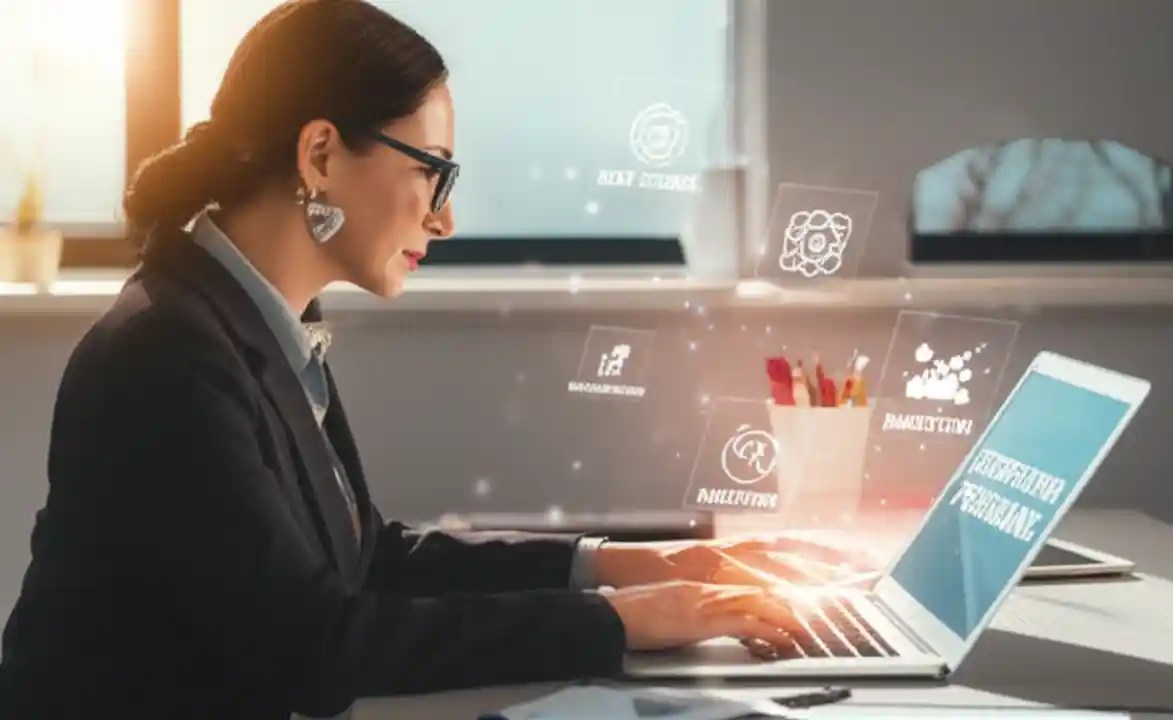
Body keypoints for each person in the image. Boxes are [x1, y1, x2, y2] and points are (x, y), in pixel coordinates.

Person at [0, 2, 865, 718]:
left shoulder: (250, 322)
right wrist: (616, 621)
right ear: (321, 155)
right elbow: (314, 646)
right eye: (434, 174)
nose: (443, 220)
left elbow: (369, 557)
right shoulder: (169, 355)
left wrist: (626, 564)